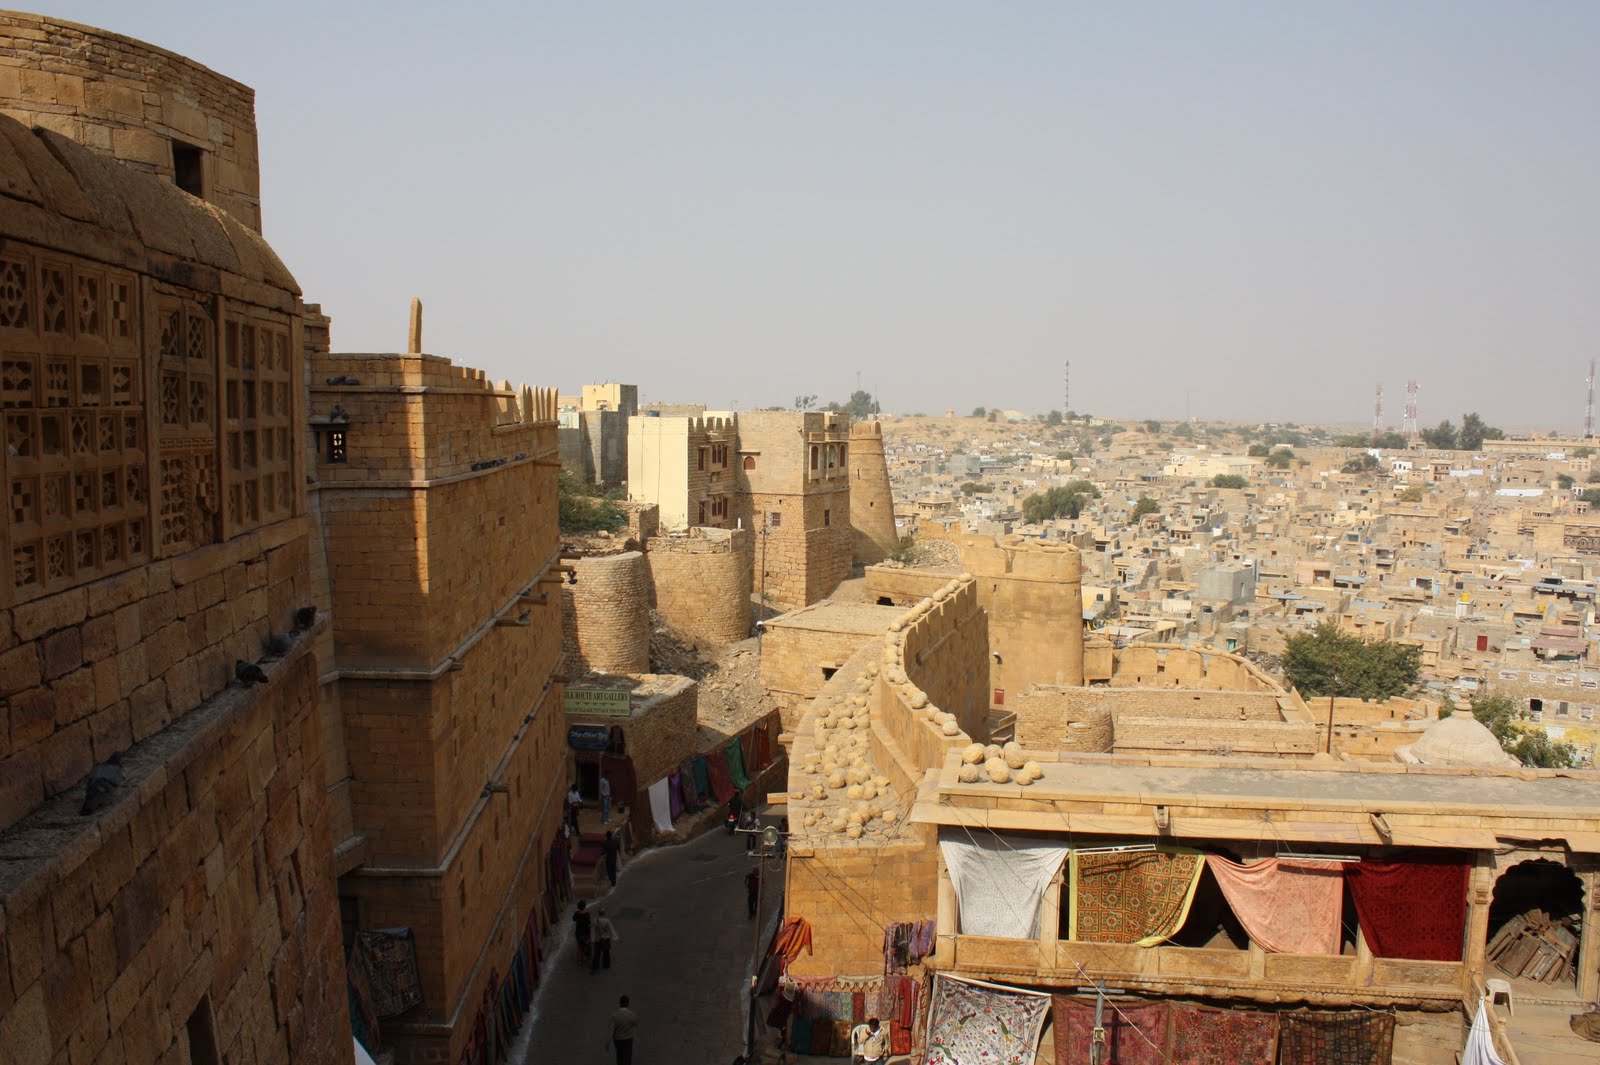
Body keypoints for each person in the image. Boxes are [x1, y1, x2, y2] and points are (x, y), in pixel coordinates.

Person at [608, 994, 638, 1065]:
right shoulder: (631, 1014)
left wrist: (608, 1041)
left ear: (620, 1003)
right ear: (628, 1003)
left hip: (618, 1040)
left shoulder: (614, 1015)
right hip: (628, 1039)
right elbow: (636, 1023)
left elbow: (611, 1030)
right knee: (627, 1057)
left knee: (619, 1056)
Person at [591, 907, 618, 972]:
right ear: (604, 913)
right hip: (605, 939)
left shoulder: (595, 920)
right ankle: (606, 965)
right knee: (606, 953)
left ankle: (595, 966)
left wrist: (592, 939)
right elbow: (612, 929)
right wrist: (615, 937)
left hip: (597, 939)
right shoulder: (607, 921)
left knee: (597, 954)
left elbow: (593, 930)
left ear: (598, 913)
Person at [572, 900, 592, 964]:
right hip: (586, 932)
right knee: (588, 944)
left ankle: (579, 960)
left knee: (579, 947)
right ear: (584, 906)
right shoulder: (587, 914)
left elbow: (574, 919)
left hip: (578, 932)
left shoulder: (576, 913)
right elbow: (589, 924)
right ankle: (588, 956)